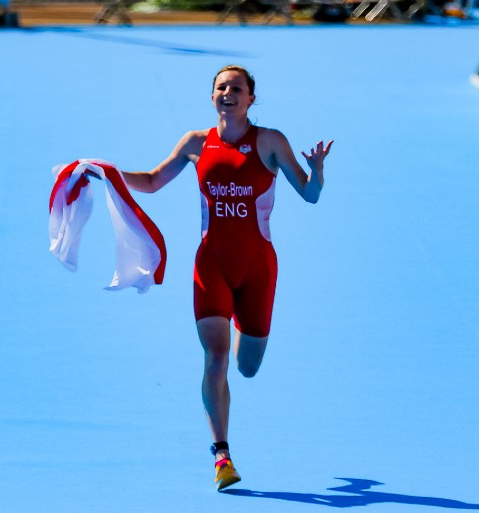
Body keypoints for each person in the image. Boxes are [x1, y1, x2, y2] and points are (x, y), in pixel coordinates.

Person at [117, 65, 333, 491]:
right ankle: (221, 455)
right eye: (221, 87)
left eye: (237, 88)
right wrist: (110, 173)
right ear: (211, 96)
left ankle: (240, 322)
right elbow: (153, 181)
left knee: (246, 366)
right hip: (210, 266)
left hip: (257, 271)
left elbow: (309, 194)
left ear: (252, 98)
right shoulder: (196, 143)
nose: (228, 93)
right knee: (215, 360)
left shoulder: (270, 142)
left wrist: (319, 172)